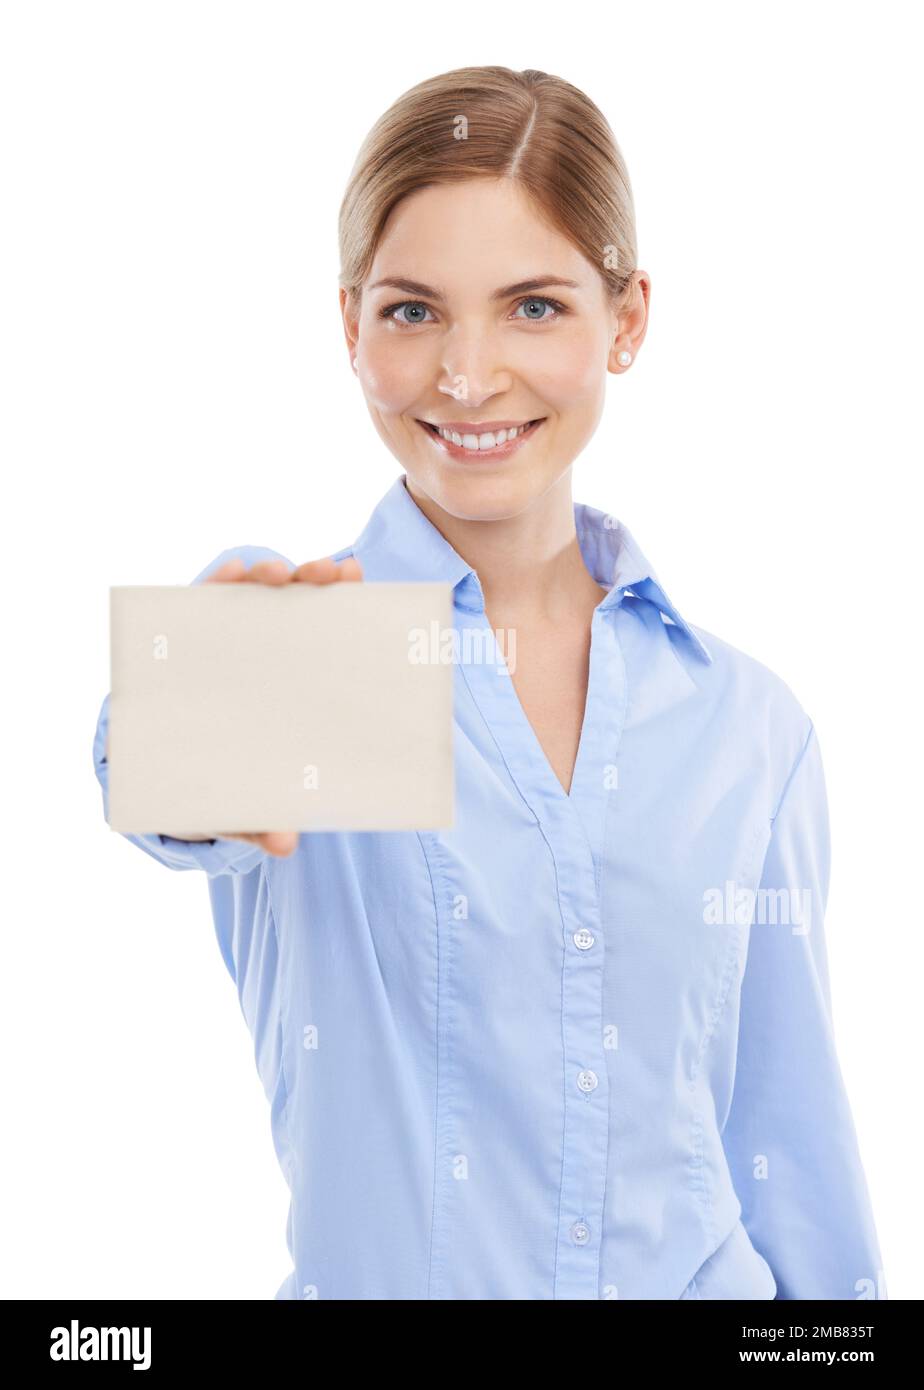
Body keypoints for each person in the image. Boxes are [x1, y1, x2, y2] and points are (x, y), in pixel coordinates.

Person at [92, 65, 885, 1301]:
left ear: (626, 320)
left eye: (533, 307)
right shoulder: (306, 637)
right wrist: (197, 718)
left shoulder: (748, 726)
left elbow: (793, 1151)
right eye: (413, 313)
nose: (467, 374)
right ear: (348, 325)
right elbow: (150, 779)